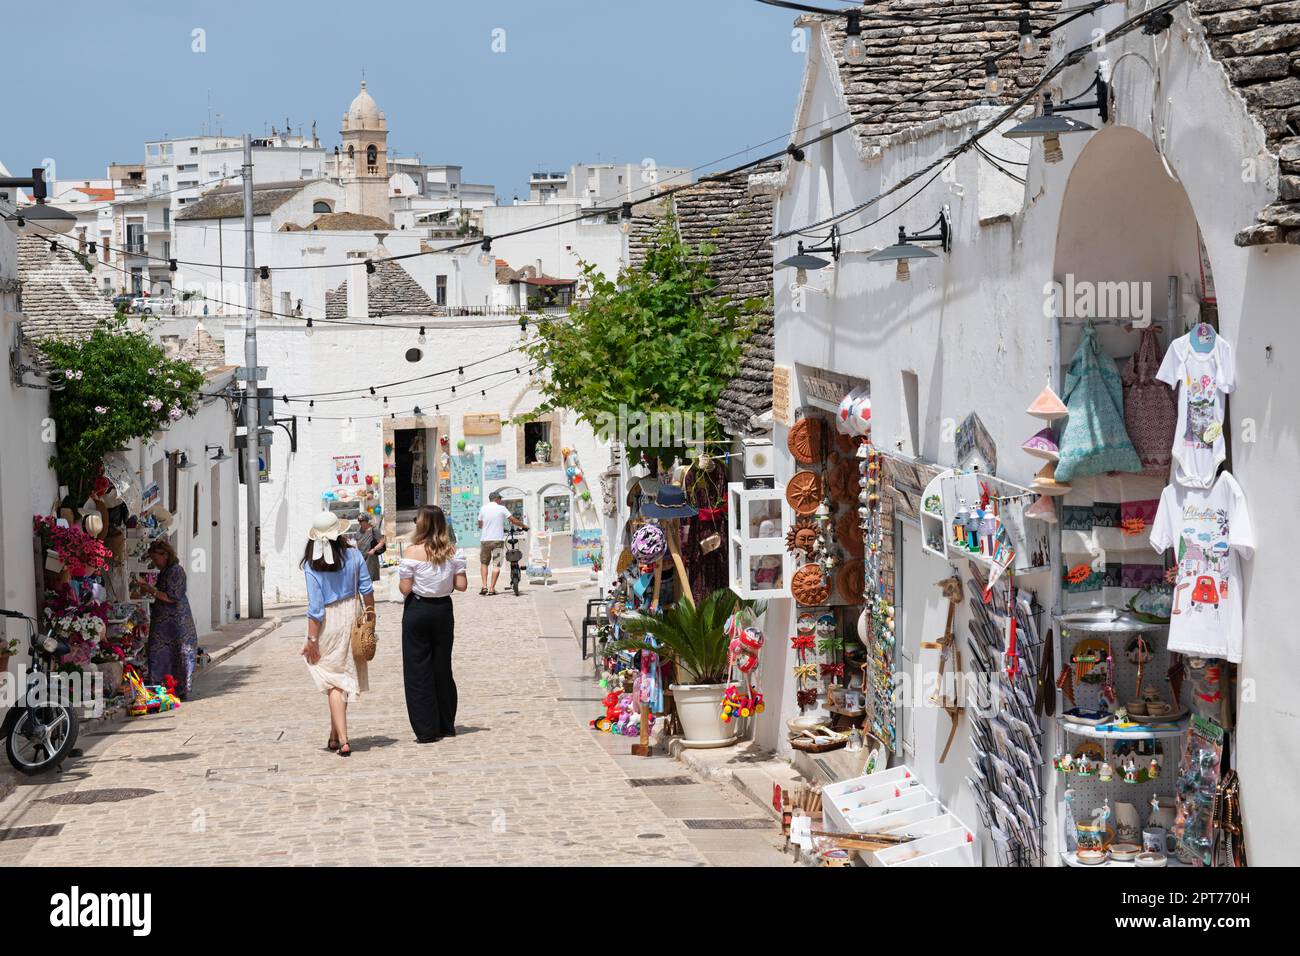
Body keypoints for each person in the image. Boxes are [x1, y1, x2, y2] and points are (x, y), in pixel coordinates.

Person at [300, 511, 375, 757]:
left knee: (333, 681)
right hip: (352, 616)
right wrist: (371, 619)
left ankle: (342, 739)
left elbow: (315, 608)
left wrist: (312, 639)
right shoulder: (353, 555)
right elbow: (366, 588)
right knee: (340, 678)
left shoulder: (312, 565)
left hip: (327, 623)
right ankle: (334, 736)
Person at [398, 505, 467, 742]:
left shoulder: (411, 552)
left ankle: (426, 730)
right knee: (442, 668)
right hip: (442, 611)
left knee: (418, 670)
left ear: (422, 524)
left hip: (418, 609)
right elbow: (461, 585)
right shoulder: (453, 552)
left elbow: (405, 589)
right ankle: (446, 724)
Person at [137, 540, 200, 699]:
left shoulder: (176, 571)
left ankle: (176, 689)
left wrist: (148, 588)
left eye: (156, 559)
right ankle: (161, 688)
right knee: (160, 654)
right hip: (164, 624)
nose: (155, 563)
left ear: (165, 555)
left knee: (177, 654)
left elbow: (172, 597)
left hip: (176, 623)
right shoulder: (165, 571)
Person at [477, 490, 527, 595]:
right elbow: (513, 520)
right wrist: (524, 526)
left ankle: (484, 586)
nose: (501, 501)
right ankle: (491, 589)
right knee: (496, 564)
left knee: (484, 563)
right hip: (497, 541)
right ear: (496, 499)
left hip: (485, 540)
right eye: (500, 499)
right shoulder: (501, 508)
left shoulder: (483, 508)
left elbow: (480, 525)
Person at [354, 512, 386, 585]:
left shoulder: (374, 529)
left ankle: (369, 594)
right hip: (360, 557)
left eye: (361, 520)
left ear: (366, 521)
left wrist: (374, 549)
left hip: (370, 557)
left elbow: (381, 542)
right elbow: (357, 542)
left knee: (367, 580)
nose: (359, 522)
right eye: (358, 520)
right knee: (359, 580)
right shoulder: (358, 530)